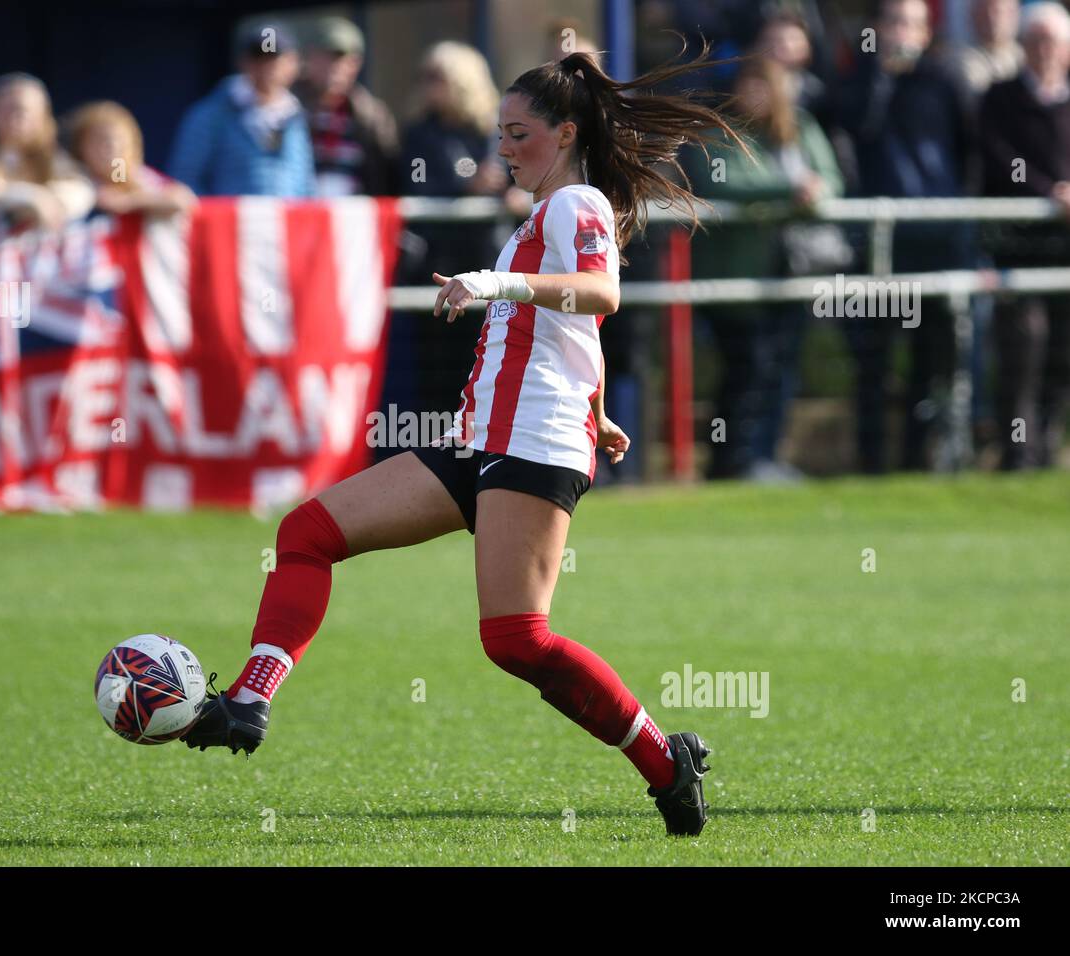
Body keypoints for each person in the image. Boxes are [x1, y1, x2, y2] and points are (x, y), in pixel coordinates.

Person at [181, 49, 749, 838]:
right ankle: (248, 698)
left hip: (532, 440)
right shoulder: (551, 209)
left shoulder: (574, 202)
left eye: (518, 133)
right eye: (500, 132)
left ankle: (665, 758)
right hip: (486, 435)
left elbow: (600, 293)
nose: (504, 148)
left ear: (565, 132)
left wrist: (495, 283)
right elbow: (570, 321)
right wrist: (598, 400)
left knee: (516, 640)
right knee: (306, 532)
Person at [687, 56, 845, 481]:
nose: (754, 91)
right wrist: (790, 188)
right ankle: (731, 463)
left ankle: (764, 457)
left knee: (779, 369)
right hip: (733, 277)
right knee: (745, 369)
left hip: (790, 271)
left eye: (763, 82)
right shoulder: (718, 132)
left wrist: (815, 191)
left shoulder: (801, 127)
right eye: (747, 82)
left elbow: (830, 178)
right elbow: (721, 182)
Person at [835, 0, 978, 473]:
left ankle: (917, 462)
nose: (903, 33)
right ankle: (870, 463)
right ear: (876, 28)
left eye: (913, 24)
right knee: (874, 361)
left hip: (934, 244)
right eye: (894, 22)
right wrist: (880, 77)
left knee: (928, 361)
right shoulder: (859, 81)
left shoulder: (945, 80)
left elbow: (967, 152)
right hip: (878, 247)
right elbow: (851, 124)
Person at [397, 42, 511, 423]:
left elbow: (525, 181)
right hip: (438, 270)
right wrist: (466, 188)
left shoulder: (495, 132)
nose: (427, 86)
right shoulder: (419, 134)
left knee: (488, 364)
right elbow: (415, 193)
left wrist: (514, 195)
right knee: (440, 373)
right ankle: (441, 462)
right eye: (424, 77)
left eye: (437, 77)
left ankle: (484, 452)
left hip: (489, 267)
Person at [979, 2, 1070, 469]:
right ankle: (1017, 454)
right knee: (1022, 347)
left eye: (1052, 42)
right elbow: (998, 159)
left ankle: (1047, 448)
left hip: (1065, 251)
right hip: (1018, 245)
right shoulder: (1000, 97)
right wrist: (1049, 193)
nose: (1044, 51)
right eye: (1035, 41)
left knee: (1061, 351)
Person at [166, 23, 314, 197]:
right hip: (231, 222)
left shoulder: (296, 116)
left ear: (293, 63)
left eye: (274, 58)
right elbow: (185, 181)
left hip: (287, 223)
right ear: (244, 62)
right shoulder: (209, 114)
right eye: (259, 58)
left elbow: (305, 183)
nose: (267, 67)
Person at [293, 17, 399, 197]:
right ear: (310, 60)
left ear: (356, 64)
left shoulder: (372, 116)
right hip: (303, 216)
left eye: (340, 59)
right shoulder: (290, 109)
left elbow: (387, 175)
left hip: (355, 218)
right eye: (325, 58)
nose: (333, 68)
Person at [0, 73, 94, 229]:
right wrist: (31, 198)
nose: (15, 119)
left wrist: (53, 200)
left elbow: (83, 190)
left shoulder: (51, 156)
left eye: (24, 111)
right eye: (7, 109)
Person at [67, 101, 194, 219]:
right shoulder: (75, 177)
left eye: (119, 141)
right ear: (81, 146)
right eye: (100, 140)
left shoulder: (131, 174)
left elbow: (183, 201)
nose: (111, 148)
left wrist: (130, 200)